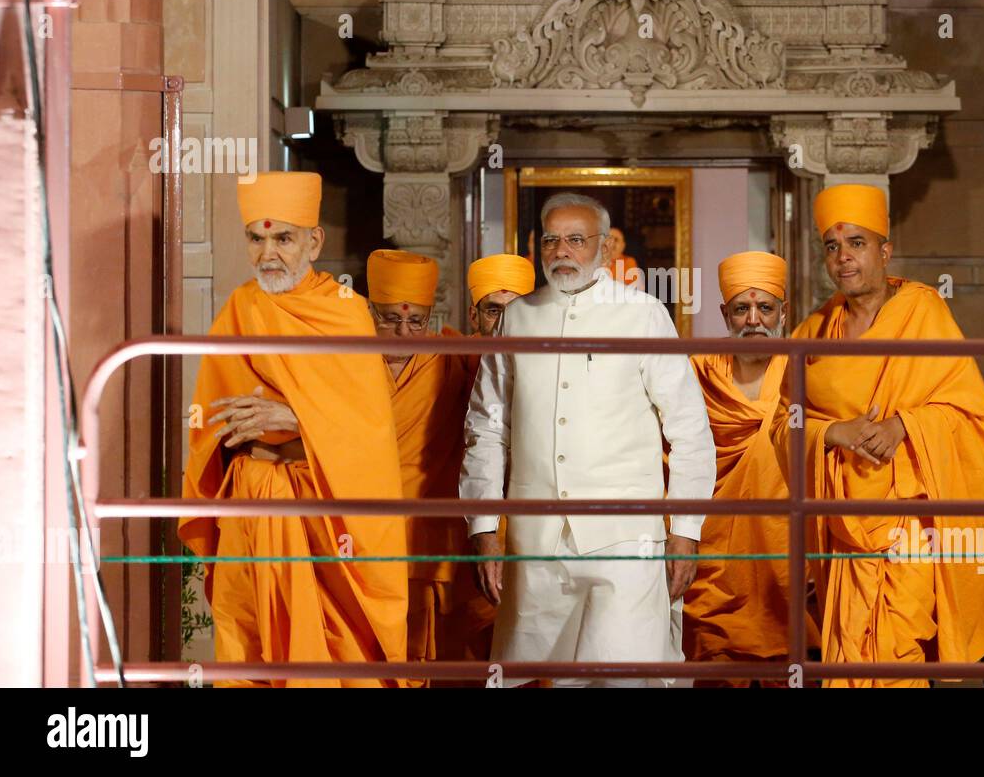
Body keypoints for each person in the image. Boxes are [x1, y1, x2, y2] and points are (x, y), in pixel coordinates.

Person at [460, 192, 716, 687]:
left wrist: (685, 529)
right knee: (533, 677)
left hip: (626, 541)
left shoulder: (643, 315)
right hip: (535, 542)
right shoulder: (518, 317)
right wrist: (484, 527)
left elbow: (689, 429)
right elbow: (487, 428)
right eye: (551, 240)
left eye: (576, 240)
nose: (562, 251)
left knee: (624, 678)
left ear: (604, 249)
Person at [772, 183, 984, 688]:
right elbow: (781, 424)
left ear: (885, 251)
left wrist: (905, 424)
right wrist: (831, 432)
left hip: (910, 529)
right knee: (845, 655)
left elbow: (973, 416)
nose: (844, 258)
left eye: (857, 244)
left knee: (899, 653)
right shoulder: (811, 332)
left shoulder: (924, 313)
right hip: (843, 534)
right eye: (832, 247)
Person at [179, 172, 407, 687]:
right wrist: (240, 434)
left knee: (333, 654)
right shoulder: (242, 306)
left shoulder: (345, 314)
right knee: (250, 642)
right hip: (252, 499)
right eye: (256, 239)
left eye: (283, 238)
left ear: (314, 240)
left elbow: (370, 431)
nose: (268, 254)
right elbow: (213, 418)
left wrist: (296, 419)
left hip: (323, 508)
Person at [365, 249, 532, 685]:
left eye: (416, 321)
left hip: (480, 537)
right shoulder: (345, 368)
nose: (403, 332)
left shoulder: (453, 362)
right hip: (372, 537)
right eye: (389, 319)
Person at [684, 251, 821, 686]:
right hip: (713, 562)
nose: (753, 319)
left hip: (789, 557)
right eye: (742, 308)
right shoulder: (695, 373)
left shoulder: (806, 371)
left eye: (765, 308)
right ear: (725, 313)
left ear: (784, 311)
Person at [467, 253, 536, 337]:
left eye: (516, 312)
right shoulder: (457, 350)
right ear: (474, 317)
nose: (505, 325)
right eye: (494, 312)